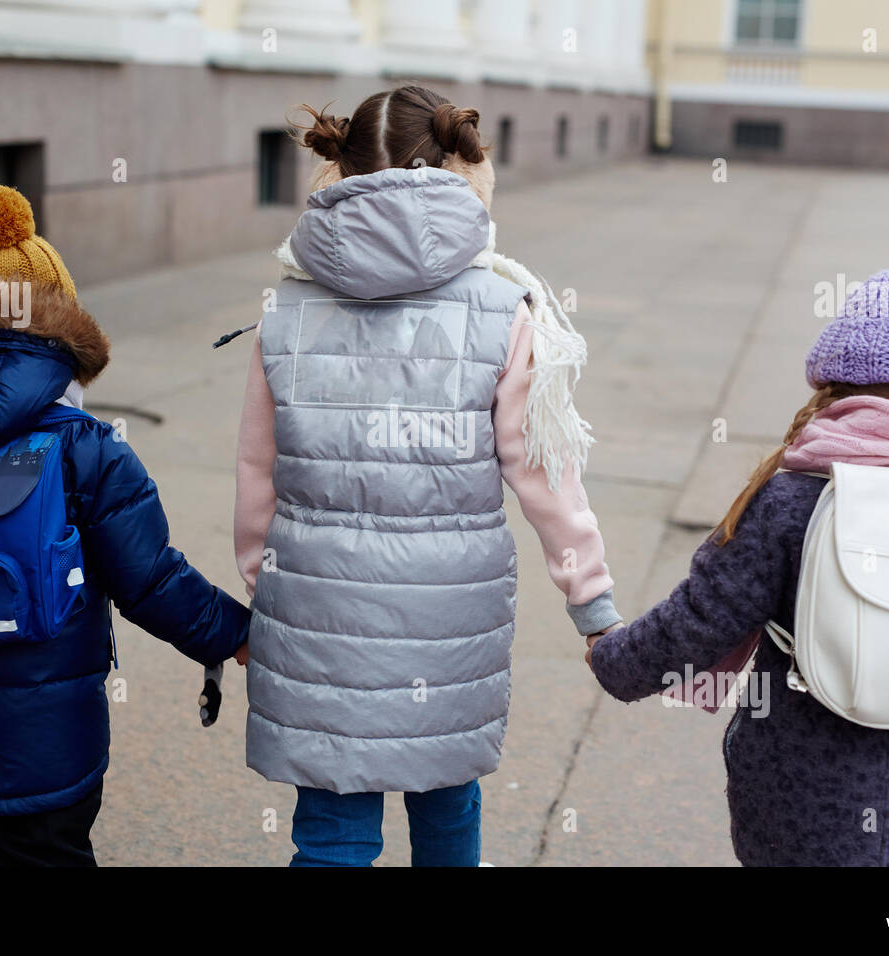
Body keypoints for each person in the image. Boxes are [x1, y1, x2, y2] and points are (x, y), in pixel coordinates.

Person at [232, 86, 622, 866]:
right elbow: (545, 475)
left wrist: (261, 586)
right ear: (459, 171)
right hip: (449, 624)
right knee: (447, 800)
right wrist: (592, 603)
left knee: (333, 825)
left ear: (338, 171)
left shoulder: (288, 311)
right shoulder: (503, 308)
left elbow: (256, 467)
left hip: (317, 610)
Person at [587, 268, 889, 866]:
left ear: (835, 380)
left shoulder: (791, 505)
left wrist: (614, 658)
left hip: (796, 807)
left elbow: (700, 622)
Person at [0, 184, 250, 866]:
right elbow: (151, 581)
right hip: (54, 735)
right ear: (64, 333)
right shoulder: (87, 447)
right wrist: (237, 633)